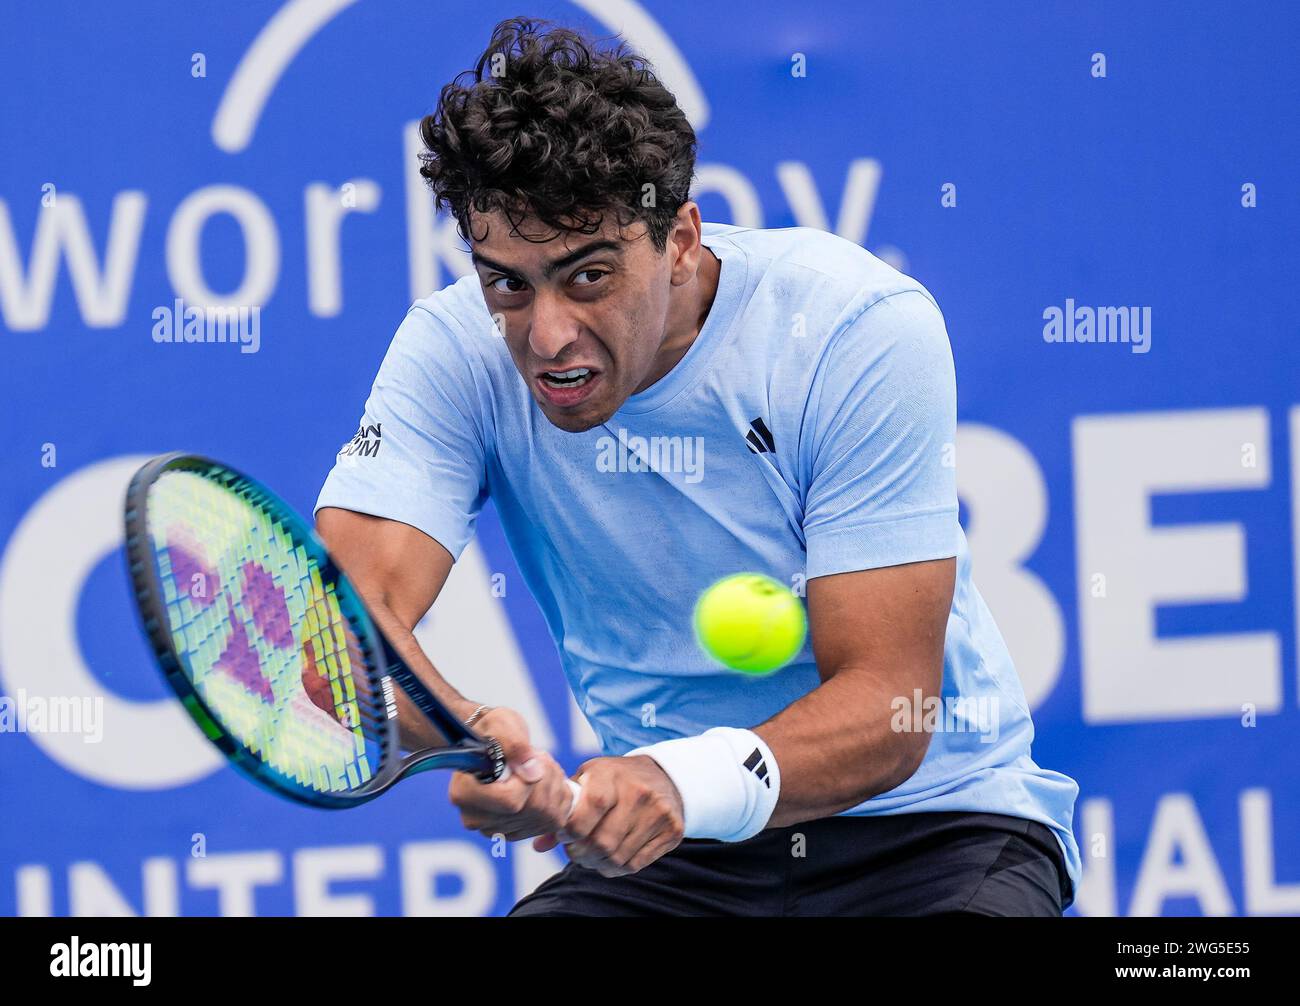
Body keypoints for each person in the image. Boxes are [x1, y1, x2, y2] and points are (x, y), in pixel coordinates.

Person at [315, 16, 1080, 916]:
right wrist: (471, 734)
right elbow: (340, 632)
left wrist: (681, 780)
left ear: (678, 240)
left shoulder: (852, 326)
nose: (547, 336)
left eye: (588, 276)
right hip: (676, 860)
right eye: (508, 283)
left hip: (935, 830)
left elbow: (887, 707)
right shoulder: (451, 352)